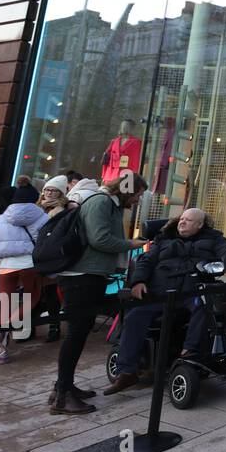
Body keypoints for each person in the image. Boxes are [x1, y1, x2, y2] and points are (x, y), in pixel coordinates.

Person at [102, 208, 226, 395]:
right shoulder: (164, 238)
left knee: (204, 303)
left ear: (200, 225)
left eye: (188, 220)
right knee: (134, 317)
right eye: (182, 219)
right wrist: (138, 281)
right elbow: (146, 261)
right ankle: (127, 371)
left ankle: (190, 350)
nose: (182, 222)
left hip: (190, 291)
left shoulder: (214, 239)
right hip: (161, 292)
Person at [50, 171, 147, 415]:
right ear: (126, 190)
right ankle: (62, 395)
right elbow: (100, 239)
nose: (137, 200)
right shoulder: (101, 202)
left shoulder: (108, 204)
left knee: (78, 333)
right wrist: (132, 244)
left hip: (89, 276)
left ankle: (64, 387)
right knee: (75, 334)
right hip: (81, 278)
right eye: (137, 194)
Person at [0, 181, 49, 364]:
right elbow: (50, 247)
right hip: (30, 265)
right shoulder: (44, 218)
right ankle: (10, 325)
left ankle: (1, 349)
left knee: (4, 305)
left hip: (5, 267)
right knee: (31, 299)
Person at [35, 175, 71, 340]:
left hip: (49, 255)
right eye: (47, 189)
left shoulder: (61, 211)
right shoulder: (37, 208)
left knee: (50, 293)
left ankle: (54, 327)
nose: (49, 193)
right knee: (35, 292)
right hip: (34, 254)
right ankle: (30, 327)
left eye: (54, 190)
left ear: (60, 194)